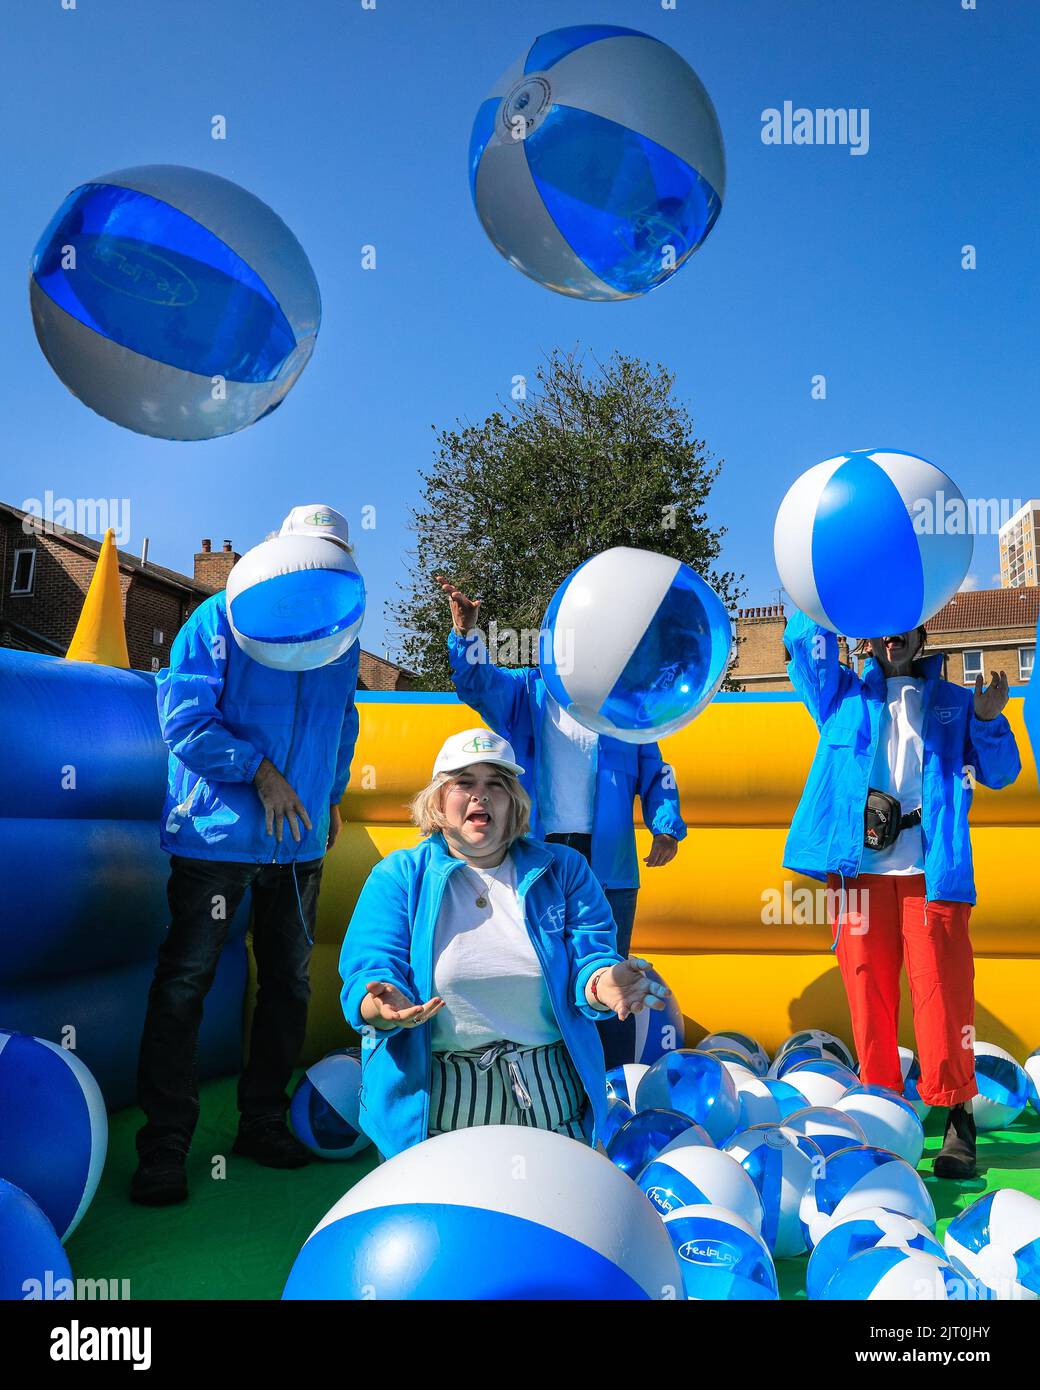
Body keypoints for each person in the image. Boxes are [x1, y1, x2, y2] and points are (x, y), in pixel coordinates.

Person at [131, 505, 361, 1205]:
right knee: (185, 982)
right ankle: (165, 1143)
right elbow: (184, 722)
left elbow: (344, 719)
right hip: (217, 843)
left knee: (290, 983)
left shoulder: (340, 635)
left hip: (296, 847)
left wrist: (329, 794)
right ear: (280, 552)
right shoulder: (214, 621)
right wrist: (259, 772)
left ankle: (262, 1120)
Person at [338, 730, 669, 1159]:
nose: (481, 796)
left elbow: (592, 960)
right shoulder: (399, 876)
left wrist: (603, 985)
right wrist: (380, 1009)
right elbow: (368, 975)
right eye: (464, 783)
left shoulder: (565, 870)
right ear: (438, 800)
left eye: (496, 783)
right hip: (434, 1111)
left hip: (553, 1098)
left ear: (514, 800)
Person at [783, 612, 1021, 1179]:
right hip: (858, 871)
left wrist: (988, 722)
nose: (893, 636)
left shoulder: (955, 701)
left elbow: (1003, 772)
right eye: (881, 622)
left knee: (943, 993)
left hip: (931, 872)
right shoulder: (838, 694)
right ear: (868, 636)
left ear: (921, 636)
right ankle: (883, 1110)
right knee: (868, 994)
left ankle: (955, 1111)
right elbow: (802, 641)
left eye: (904, 624)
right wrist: (826, 601)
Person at [435, 575, 686, 1069]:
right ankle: (544, 1069)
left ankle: (609, 1078)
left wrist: (665, 824)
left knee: (608, 968)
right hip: (540, 852)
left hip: (607, 859)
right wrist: (466, 634)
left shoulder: (624, 705)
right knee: (539, 961)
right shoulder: (528, 692)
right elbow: (476, 683)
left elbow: (655, 770)